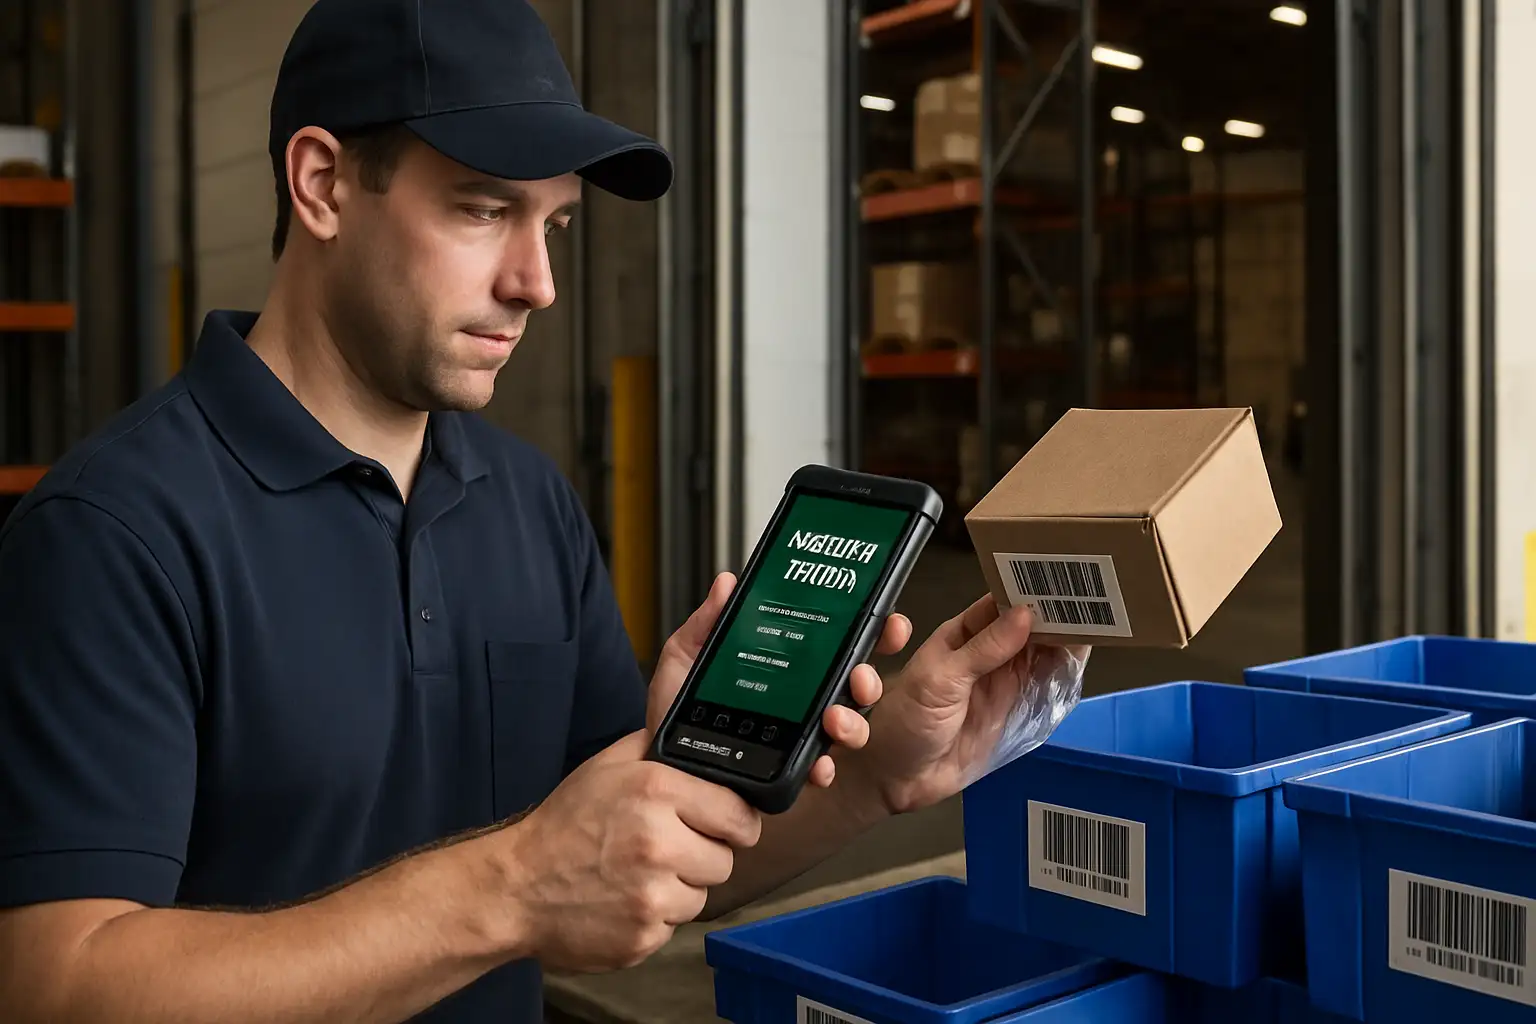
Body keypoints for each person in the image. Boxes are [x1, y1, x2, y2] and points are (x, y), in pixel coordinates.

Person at [0, 1, 1043, 1022]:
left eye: (555, 224)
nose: (537, 282)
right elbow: (59, 985)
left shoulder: (530, 500)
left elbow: (630, 861)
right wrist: (511, 884)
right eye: (483, 209)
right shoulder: (110, 534)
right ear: (321, 184)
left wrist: (877, 775)